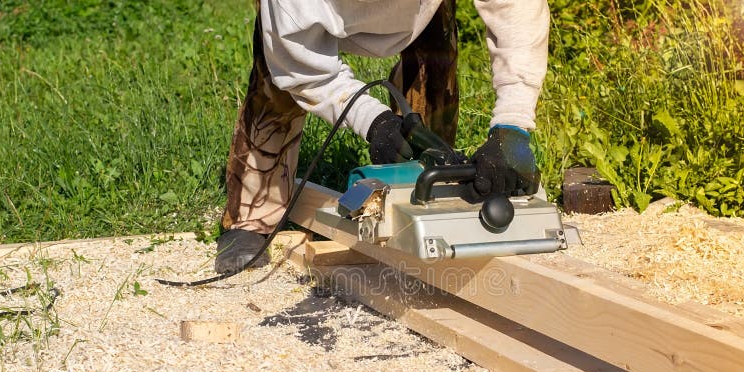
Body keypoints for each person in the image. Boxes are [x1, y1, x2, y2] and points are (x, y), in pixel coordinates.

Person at [215, 0, 549, 274]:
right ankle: (251, 218)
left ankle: (432, 199)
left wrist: (512, 125)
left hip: (422, 8)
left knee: (432, 69)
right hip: (304, 22)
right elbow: (303, 69)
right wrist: (375, 123)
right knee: (276, 89)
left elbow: (516, 10)